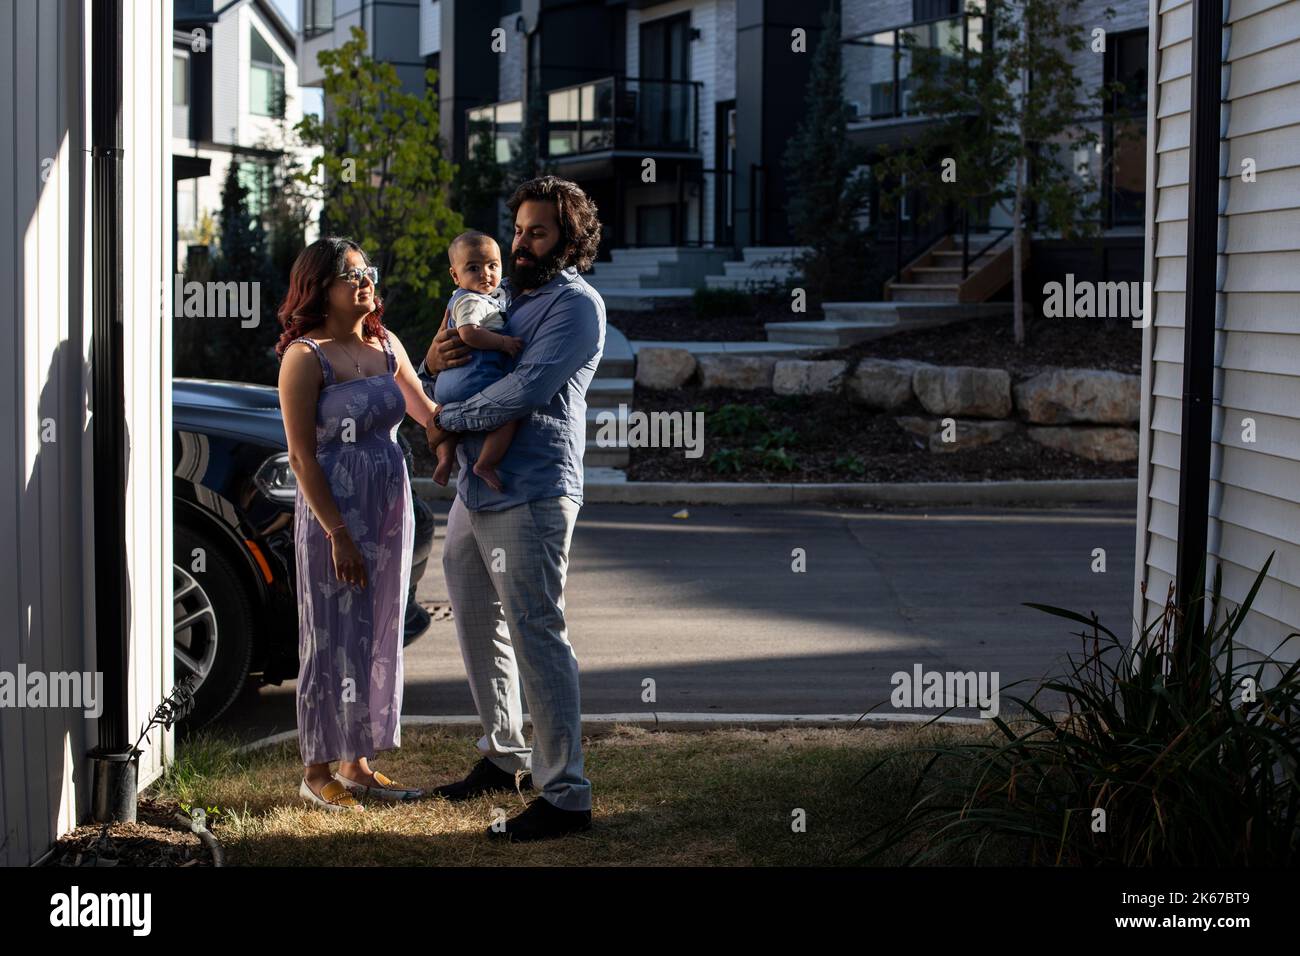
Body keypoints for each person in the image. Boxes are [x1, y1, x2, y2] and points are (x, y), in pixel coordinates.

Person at [420, 176, 605, 842]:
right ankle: (505, 755)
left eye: (539, 233)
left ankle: (566, 795)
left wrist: (444, 418)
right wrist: (435, 356)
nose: (523, 243)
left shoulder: (575, 307)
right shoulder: (494, 298)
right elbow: (441, 357)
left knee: (536, 629)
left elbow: (525, 390)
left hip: (530, 489)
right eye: (519, 230)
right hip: (477, 486)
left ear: (569, 240)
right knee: (473, 613)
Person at [276, 237, 441, 811]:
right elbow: (301, 457)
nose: (365, 281)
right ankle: (316, 769)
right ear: (320, 288)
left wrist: (477, 430)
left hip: (390, 507)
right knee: (330, 635)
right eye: (350, 275)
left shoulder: (384, 344)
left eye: (368, 270)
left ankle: (357, 762)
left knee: (377, 630)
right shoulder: (305, 355)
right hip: (335, 515)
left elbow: (425, 413)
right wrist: (337, 533)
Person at [429, 231, 525, 492]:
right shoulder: (470, 300)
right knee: (509, 415)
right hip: (474, 375)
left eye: (492, 266)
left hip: (448, 386)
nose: (485, 274)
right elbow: (469, 333)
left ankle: (445, 459)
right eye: (473, 268)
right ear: (455, 275)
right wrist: (503, 343)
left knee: (448, 426)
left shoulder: (487, 296)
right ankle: (486, 463)